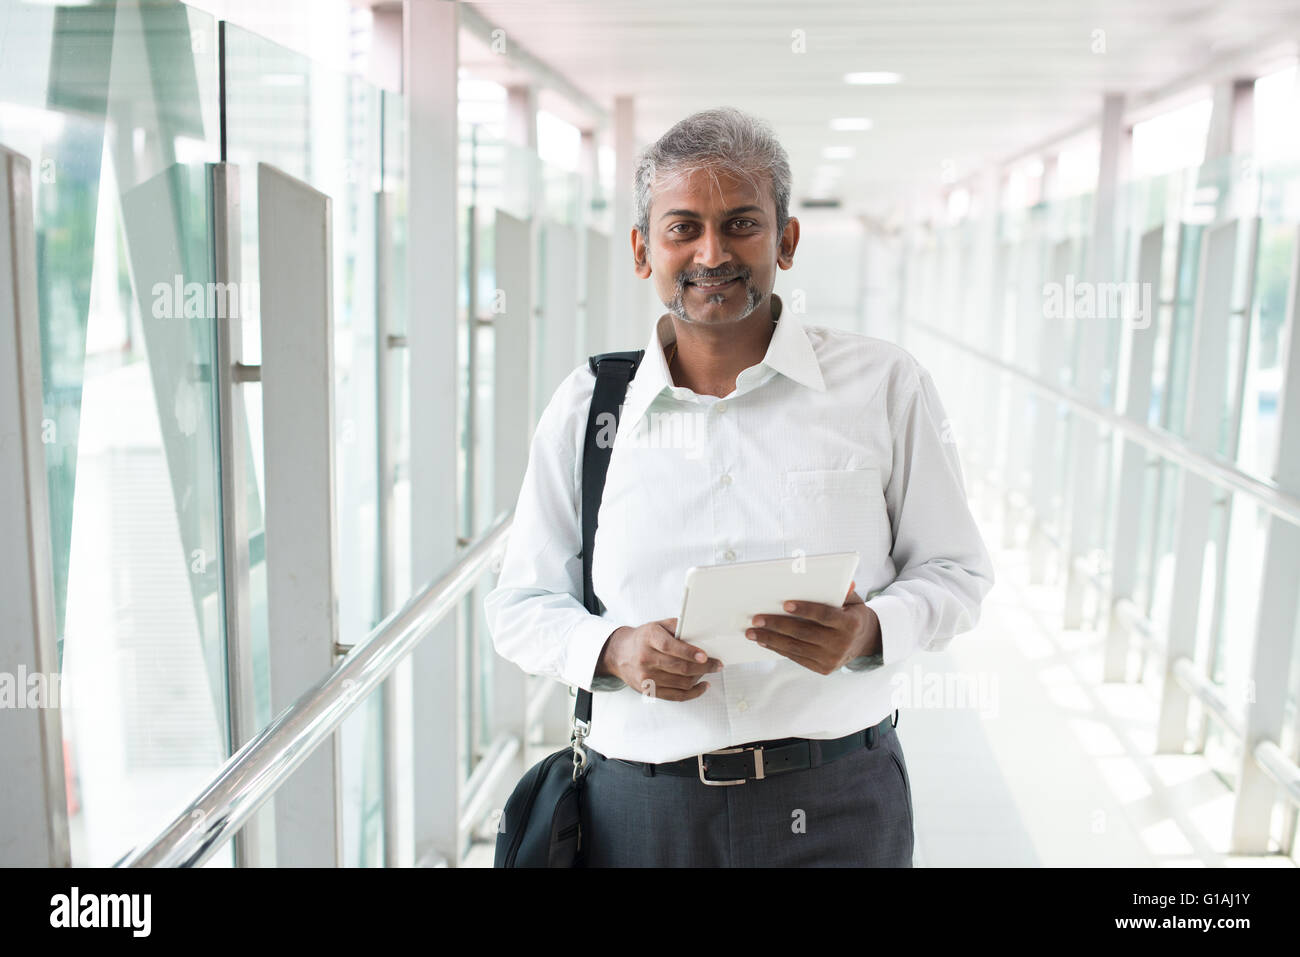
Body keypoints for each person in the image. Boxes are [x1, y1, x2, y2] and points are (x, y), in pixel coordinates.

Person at [484, 106, 995, 867]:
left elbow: (958, 574)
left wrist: (869, 631)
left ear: (786, 240)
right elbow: (518, 606)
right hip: (642, 812)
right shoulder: (589, 409)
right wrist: (614, 647)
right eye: (682, 227)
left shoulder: (882, 385)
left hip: (839, 801)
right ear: (641, 250)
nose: (711, 252)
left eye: (742, 224)